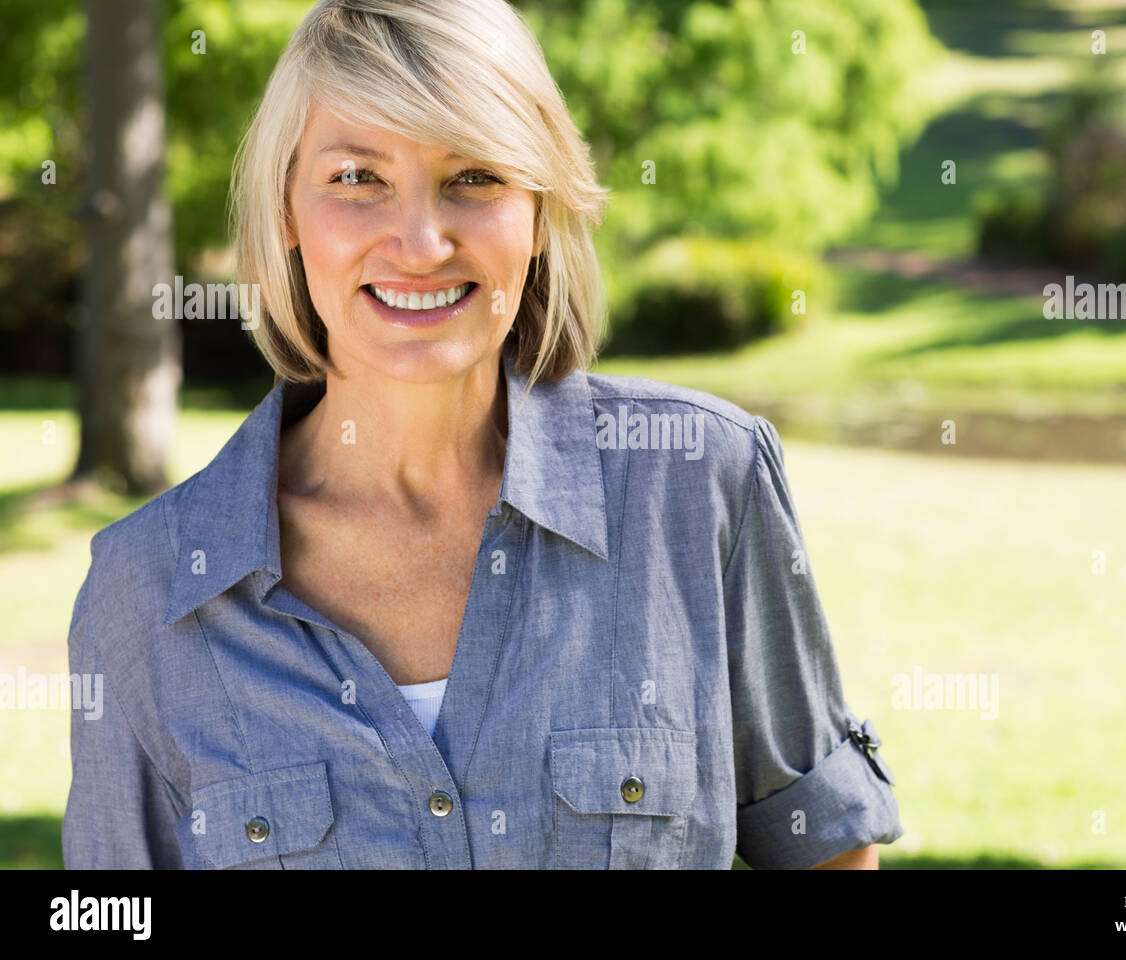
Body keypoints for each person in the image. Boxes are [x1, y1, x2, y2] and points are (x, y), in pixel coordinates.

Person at [61, 0, 902, 870]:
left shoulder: (698, 487)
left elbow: (828, 852)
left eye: (475, 178)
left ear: (539, 212)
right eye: (357, 178)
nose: (421, 243)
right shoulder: (150, 592)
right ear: (285, 215)